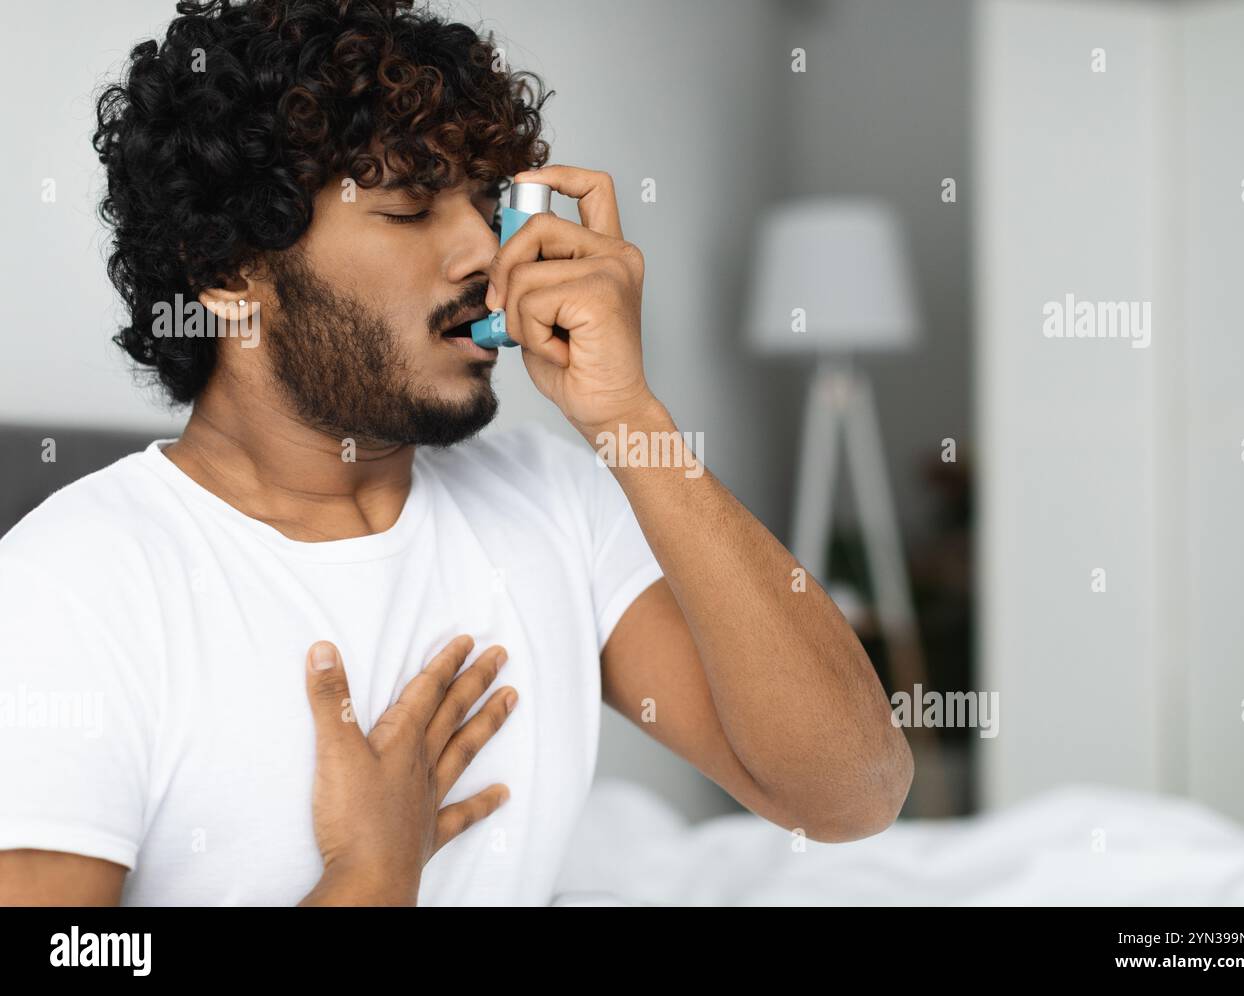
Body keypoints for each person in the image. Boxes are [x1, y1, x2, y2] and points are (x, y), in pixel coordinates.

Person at [0, 0, 911, 906]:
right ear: (229, 273)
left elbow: (851, 796)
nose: (486, 253)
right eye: (407, 209)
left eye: (485, 205)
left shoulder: (554, 501)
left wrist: (628, 416)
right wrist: (372, 876)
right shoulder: (72, 585)